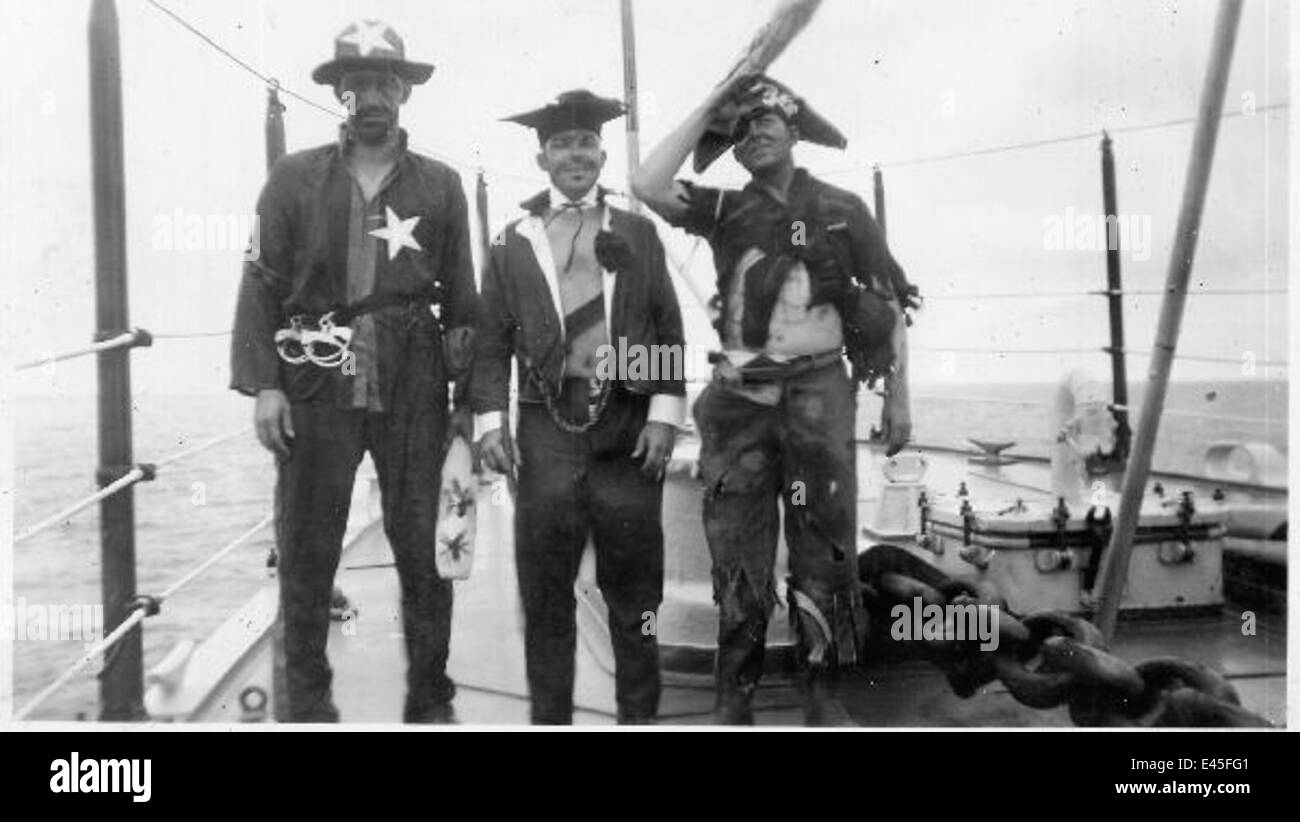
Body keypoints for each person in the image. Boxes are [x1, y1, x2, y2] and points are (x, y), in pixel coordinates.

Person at [631, 74, 918, 724]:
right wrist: (708, 106)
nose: (751, 134)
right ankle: (736, 696)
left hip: (821, 393)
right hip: (739, 401)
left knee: (826, 555)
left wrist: (899, 399)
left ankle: (824, 693)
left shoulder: (846, 208)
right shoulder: (724, 209)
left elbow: (891, 301)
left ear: (795, 132)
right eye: (738, 129)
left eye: (766, 122)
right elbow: (647, 185)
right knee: (738, 558)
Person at [230, 20, 478, 723]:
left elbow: (464, 299)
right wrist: (265, 385)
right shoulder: (291, 178)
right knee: (308, 550)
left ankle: (431, 699)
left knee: (426, 548)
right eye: (360, 82)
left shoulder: (442, 185)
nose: (374, 94)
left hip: (415, 381)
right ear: (342, 92)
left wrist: (469, 405)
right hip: (315, 376)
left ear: (404, 92)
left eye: (386, 82)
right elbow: (259, 284)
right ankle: (307, 706)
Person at [472, 90, 687, 724]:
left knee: (635, 596)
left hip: (626, 431)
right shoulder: (512, 242)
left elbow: (669, 331)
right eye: (563, 144)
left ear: (600, 153)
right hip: (546, 430)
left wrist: (663, 418)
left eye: (586, 143)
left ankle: (639, 720)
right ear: (542, 158)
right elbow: (490, 342)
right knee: (545, 594)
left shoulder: (639, 234)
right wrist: (490, 424)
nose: (576, 154)